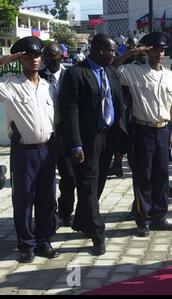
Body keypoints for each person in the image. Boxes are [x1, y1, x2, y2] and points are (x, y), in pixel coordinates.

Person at [60, 33, 128, 256]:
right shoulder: (76, 74)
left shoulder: (110, 72)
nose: (114, 54)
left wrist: (121, 137)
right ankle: (98, 234)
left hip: (108, 137)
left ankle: (81, 220)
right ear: (99, 50)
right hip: (87, 140)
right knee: (88, 186)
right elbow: (70, 111)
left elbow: (119, 104)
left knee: (97, 184)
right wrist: (75, 143)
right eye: (111, 50)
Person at [112, 32, 172, 237]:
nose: (160, 53)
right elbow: (113, 67)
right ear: (147, 50)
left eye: (162, 49)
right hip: (143, 129)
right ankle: (143, 218)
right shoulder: (134, 71)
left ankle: (159, 216)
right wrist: (132, 52)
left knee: (162, 175)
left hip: (163, 129)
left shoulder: (169, 74)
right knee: (143, 176)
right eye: (155, 49)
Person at [0, 37, 59, 263]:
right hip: (24, 152)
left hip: (47, 149)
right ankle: (26, 244)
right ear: (19, 58)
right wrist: (5, 60)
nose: (34, 59)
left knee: (46, 197)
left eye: (37, 55)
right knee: (23, 199)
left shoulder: (47, 86)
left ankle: (44, 240)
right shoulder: (9, 85)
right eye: (27, 55)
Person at [39, 43, 75, 227]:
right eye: (45, 55)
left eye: (52, 55)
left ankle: (66, 211)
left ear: (61, 56)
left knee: (69, 177)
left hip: (66, 134)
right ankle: (49, 211)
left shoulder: (71, 74)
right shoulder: (38, 76)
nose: (48, 58)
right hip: (46, 133)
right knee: (46, 178)